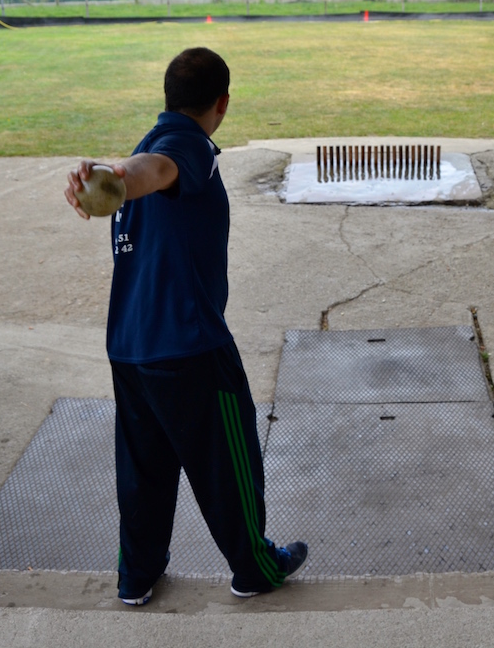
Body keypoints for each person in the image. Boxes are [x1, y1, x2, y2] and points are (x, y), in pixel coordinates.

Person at [64, 47, 307, 604]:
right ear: (222, 104)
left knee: (144, 471)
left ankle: (137, 577)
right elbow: (158, 172)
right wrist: (122, 174)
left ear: (167, 98)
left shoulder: (141, 150)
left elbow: (138, 172)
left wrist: (110, 173)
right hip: (189, 345)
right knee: (229, 461)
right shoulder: (185, 147)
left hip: (130, 346)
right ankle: (256, 568)